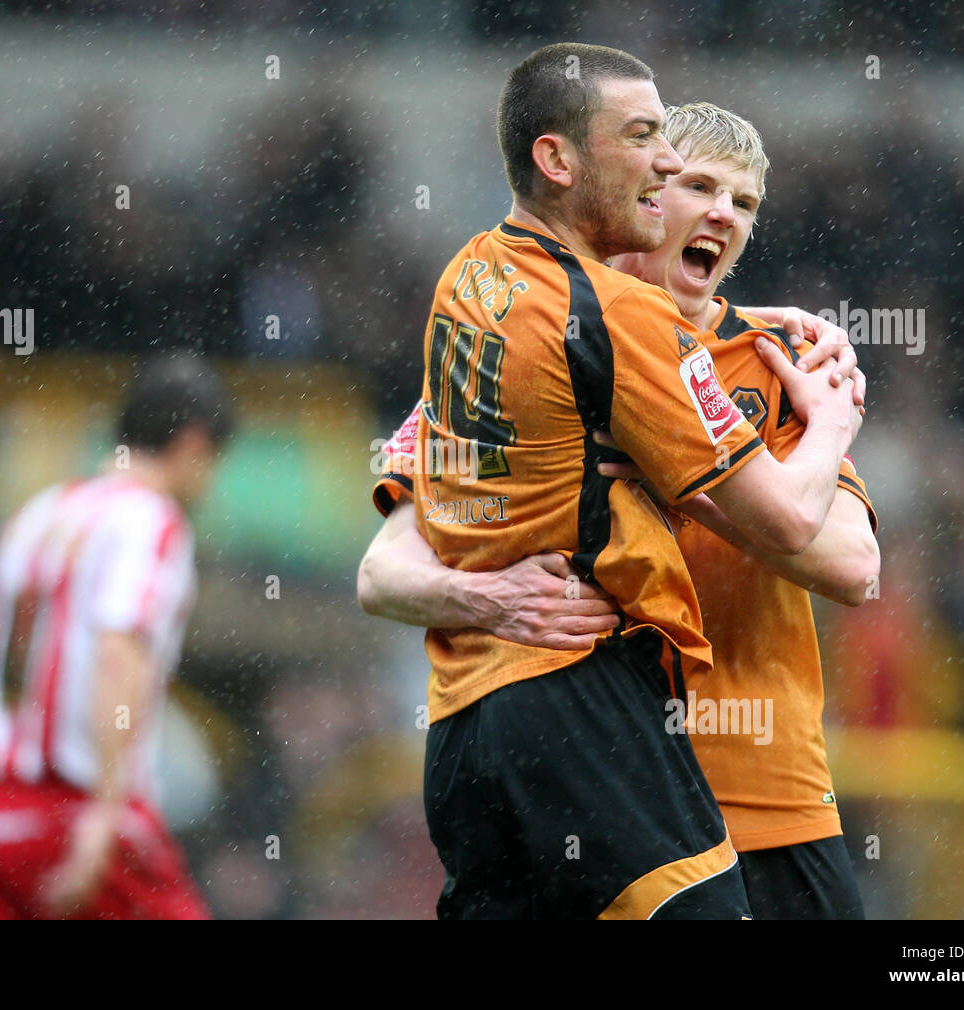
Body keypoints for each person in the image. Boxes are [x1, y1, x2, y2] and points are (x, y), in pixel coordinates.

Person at [358, 43, 863, 919]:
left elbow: (854, 567)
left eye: (742, 203)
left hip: (757, 783)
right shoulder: (543, 336)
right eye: (693, 183)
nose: (718, 213)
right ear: (639, 189)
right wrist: (484, 597)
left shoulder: (778, 364)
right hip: (587, 742)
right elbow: (381, 571)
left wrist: (698, 478)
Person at [0, 355, 233, 919]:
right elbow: (119, 654)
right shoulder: (149, 522)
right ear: (195, 444)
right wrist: (105, 811)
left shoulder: (42, 512)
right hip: (71, 812)